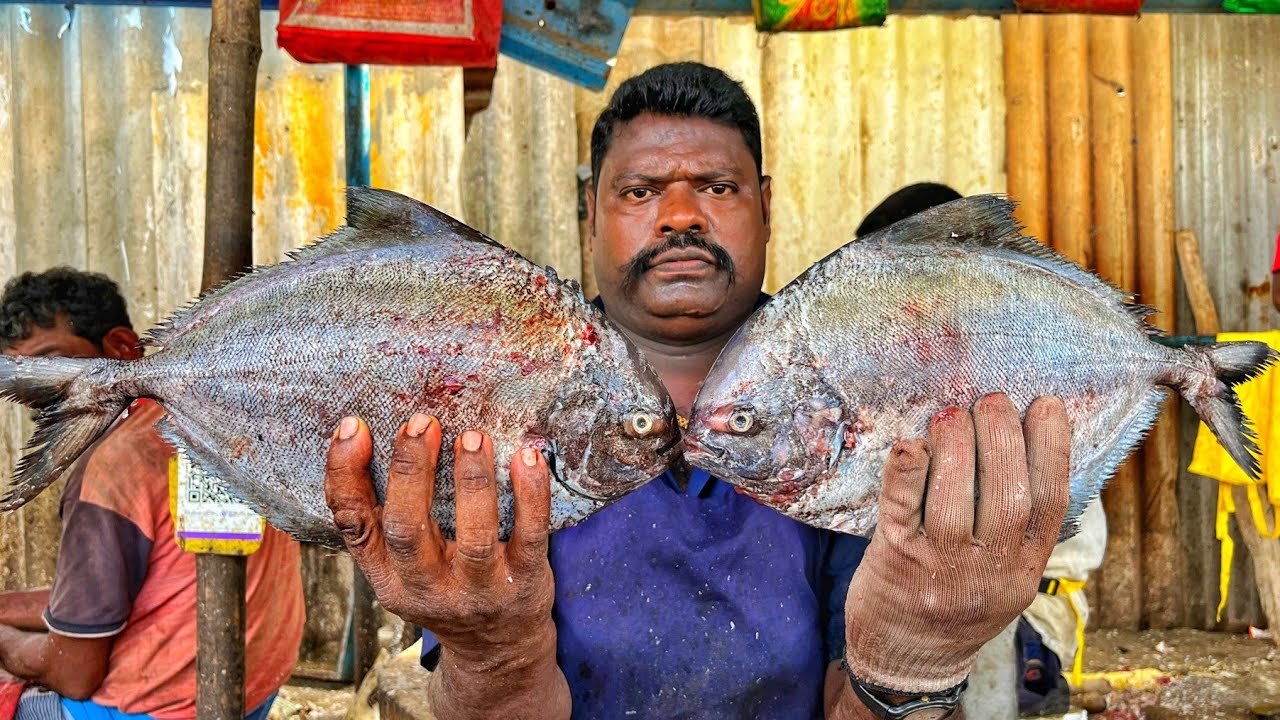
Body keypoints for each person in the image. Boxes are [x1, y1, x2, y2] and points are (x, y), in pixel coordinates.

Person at [322, 62, 1071, 719]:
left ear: (766, 207)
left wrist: (911, 665)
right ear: (591, 214)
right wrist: (494, 658)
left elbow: (866, 702)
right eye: (640, 191)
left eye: (716, 187)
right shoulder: (498, 399)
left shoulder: (863, 403)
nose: (680, 216)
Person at [0, 268, 305, 720]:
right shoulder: (224, 416)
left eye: (51, 362)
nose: (35, 394)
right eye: (21, 377)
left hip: (162, 708)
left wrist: (5, 642)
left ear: (122, 348)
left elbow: (74, 673)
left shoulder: (113, 466)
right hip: (255, 689)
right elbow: (102, 600)